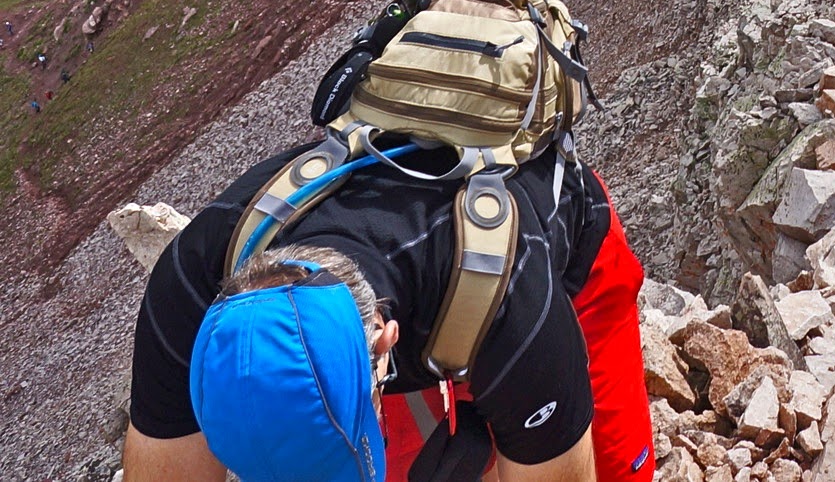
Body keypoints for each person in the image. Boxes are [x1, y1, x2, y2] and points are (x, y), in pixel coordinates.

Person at [124, 142, 653, 482]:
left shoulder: (517, 315)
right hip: (425, 297)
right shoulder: (186, 293)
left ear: (384, 340)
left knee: (615, 470)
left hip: (562, 268)